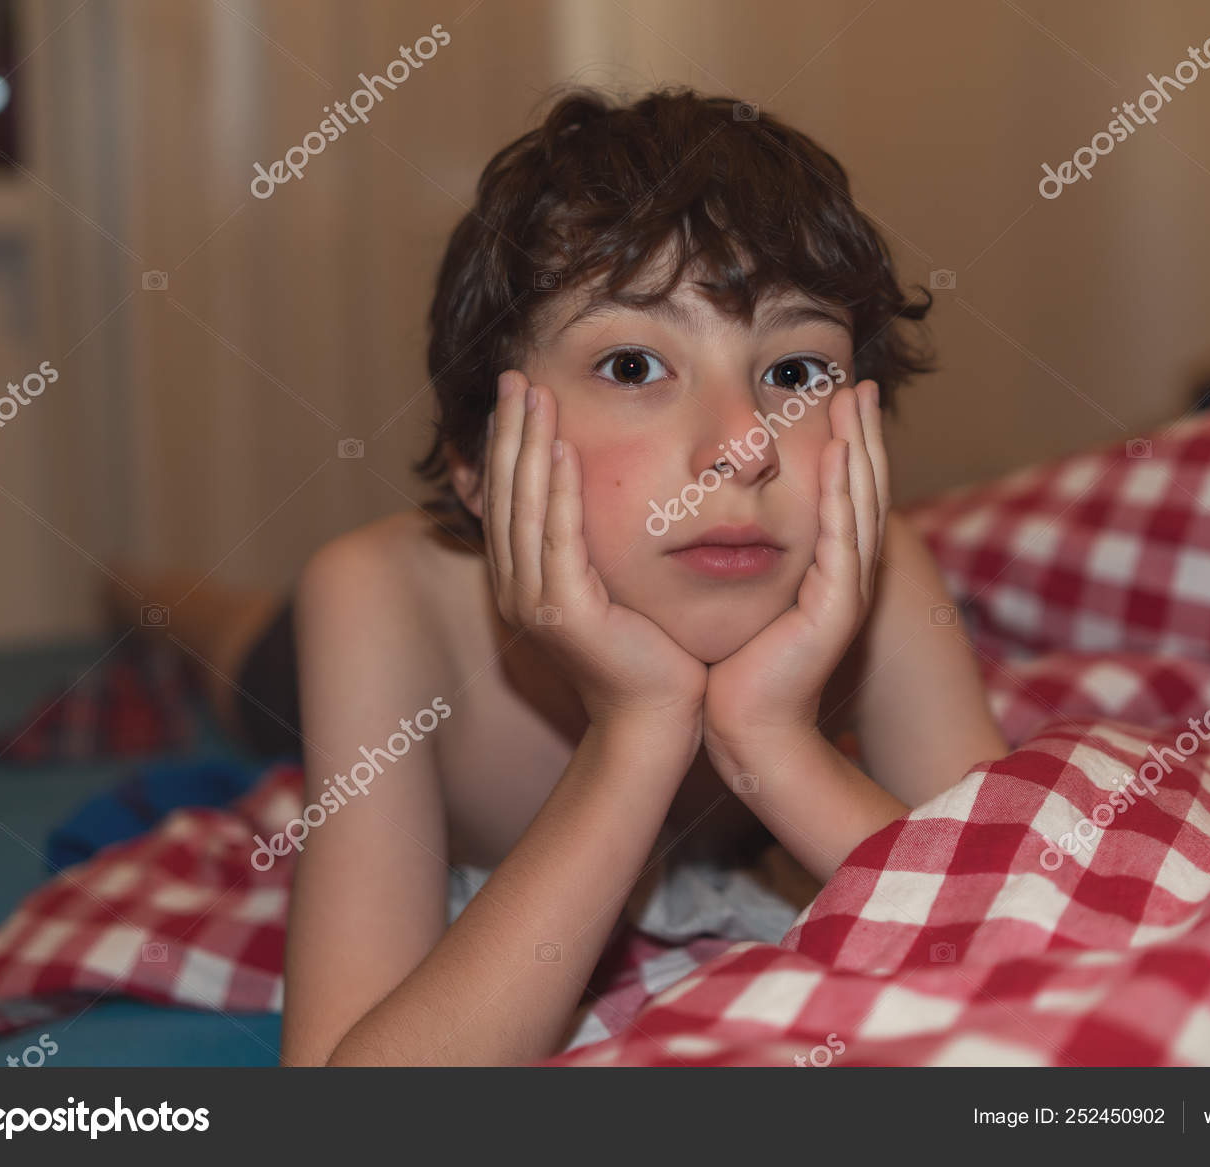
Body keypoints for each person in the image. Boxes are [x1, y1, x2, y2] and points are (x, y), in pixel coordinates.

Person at [204, 86, 1007, 1066]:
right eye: (632, 366)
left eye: (795, 374)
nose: (740, 445)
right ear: (475, 454)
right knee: (229, 650)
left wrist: (769, 736)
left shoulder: (882, 578)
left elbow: (1024, 944)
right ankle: (142, 593)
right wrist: (634, 732)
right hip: (385, 628)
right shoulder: (382, 602)